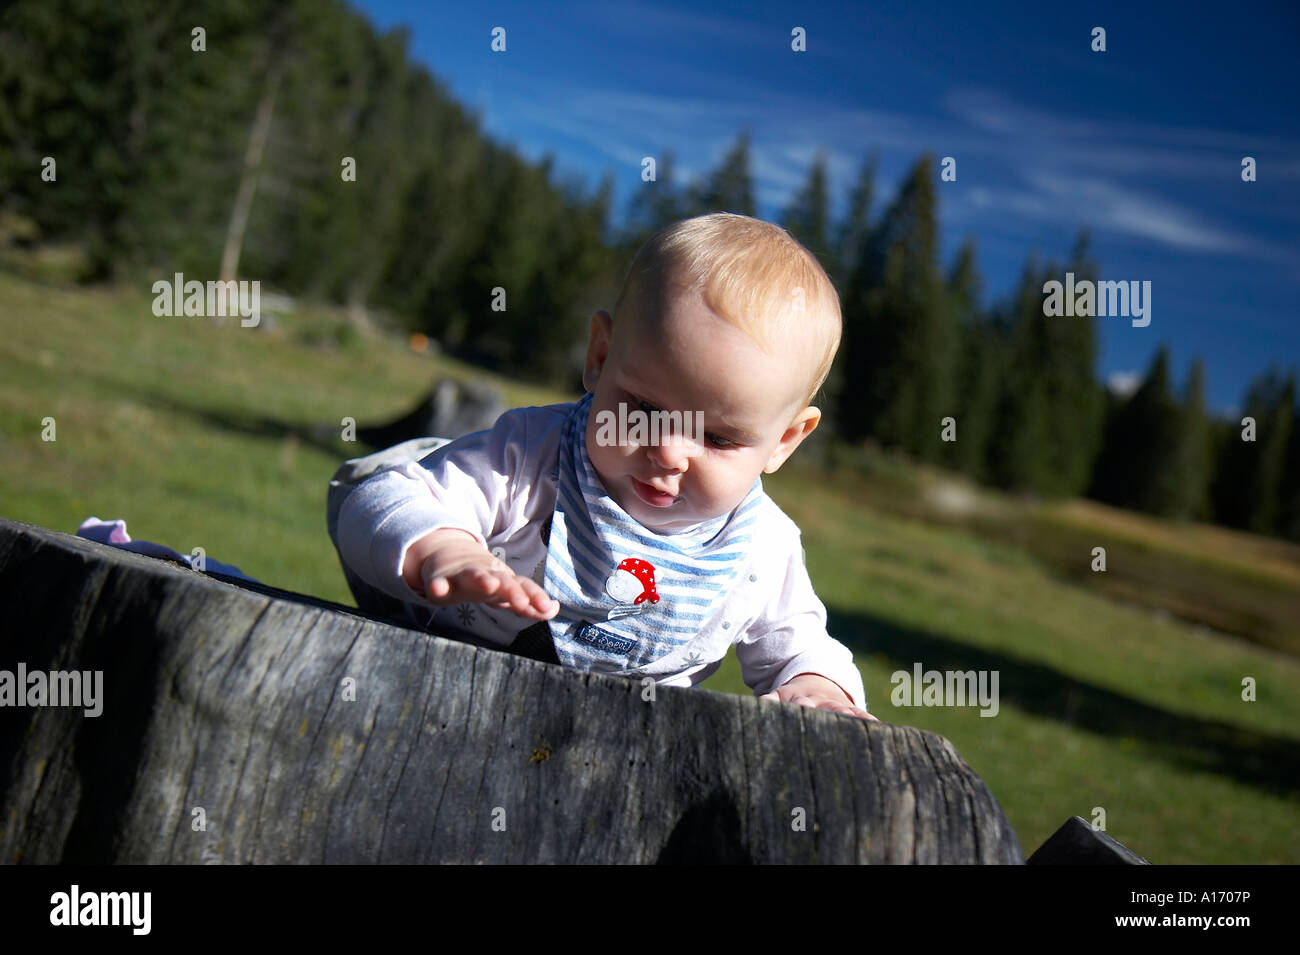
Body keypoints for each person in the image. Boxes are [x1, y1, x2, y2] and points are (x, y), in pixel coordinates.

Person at [332, 213, 876, 720]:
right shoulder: (533, 456)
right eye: (646, 409)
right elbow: (381, 503)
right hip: (434, 682)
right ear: (599, 358)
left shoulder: (760, 547)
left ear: (783, 441)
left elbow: (801, 646)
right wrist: (440, 548)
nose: (668, 451)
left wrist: (818, 689)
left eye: (718, 437)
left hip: (613, 738)